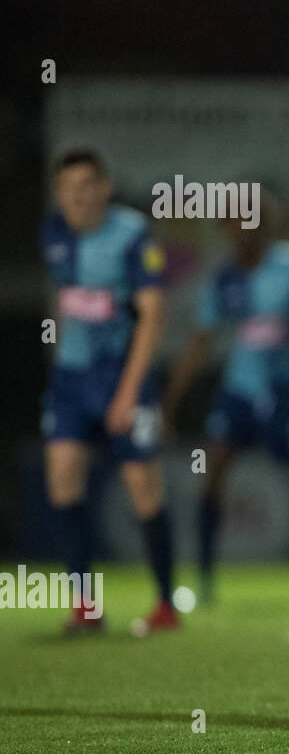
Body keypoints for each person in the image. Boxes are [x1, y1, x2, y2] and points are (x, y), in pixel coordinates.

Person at [162, 208, 289, 603]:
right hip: (239, 394)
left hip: (287, 393)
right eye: (232, 224)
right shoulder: (224, 279)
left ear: (267, 226)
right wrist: (170, 401)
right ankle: (205, 584)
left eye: (250, 221)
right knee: (212, 476)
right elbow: (200, 343)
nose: (240, 231)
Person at [41, 148, 178, 634]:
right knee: (62, 479)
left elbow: (153, 315)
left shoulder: (132, 234)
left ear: (105, 188)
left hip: (124, 377)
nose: (75, 197)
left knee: (143, 487)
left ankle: (165, 604)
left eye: (84, 186)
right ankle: (85, 606)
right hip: (73, 381)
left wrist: (128, 392)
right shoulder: (53, 233)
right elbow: (67, 306)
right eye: (66, 188)